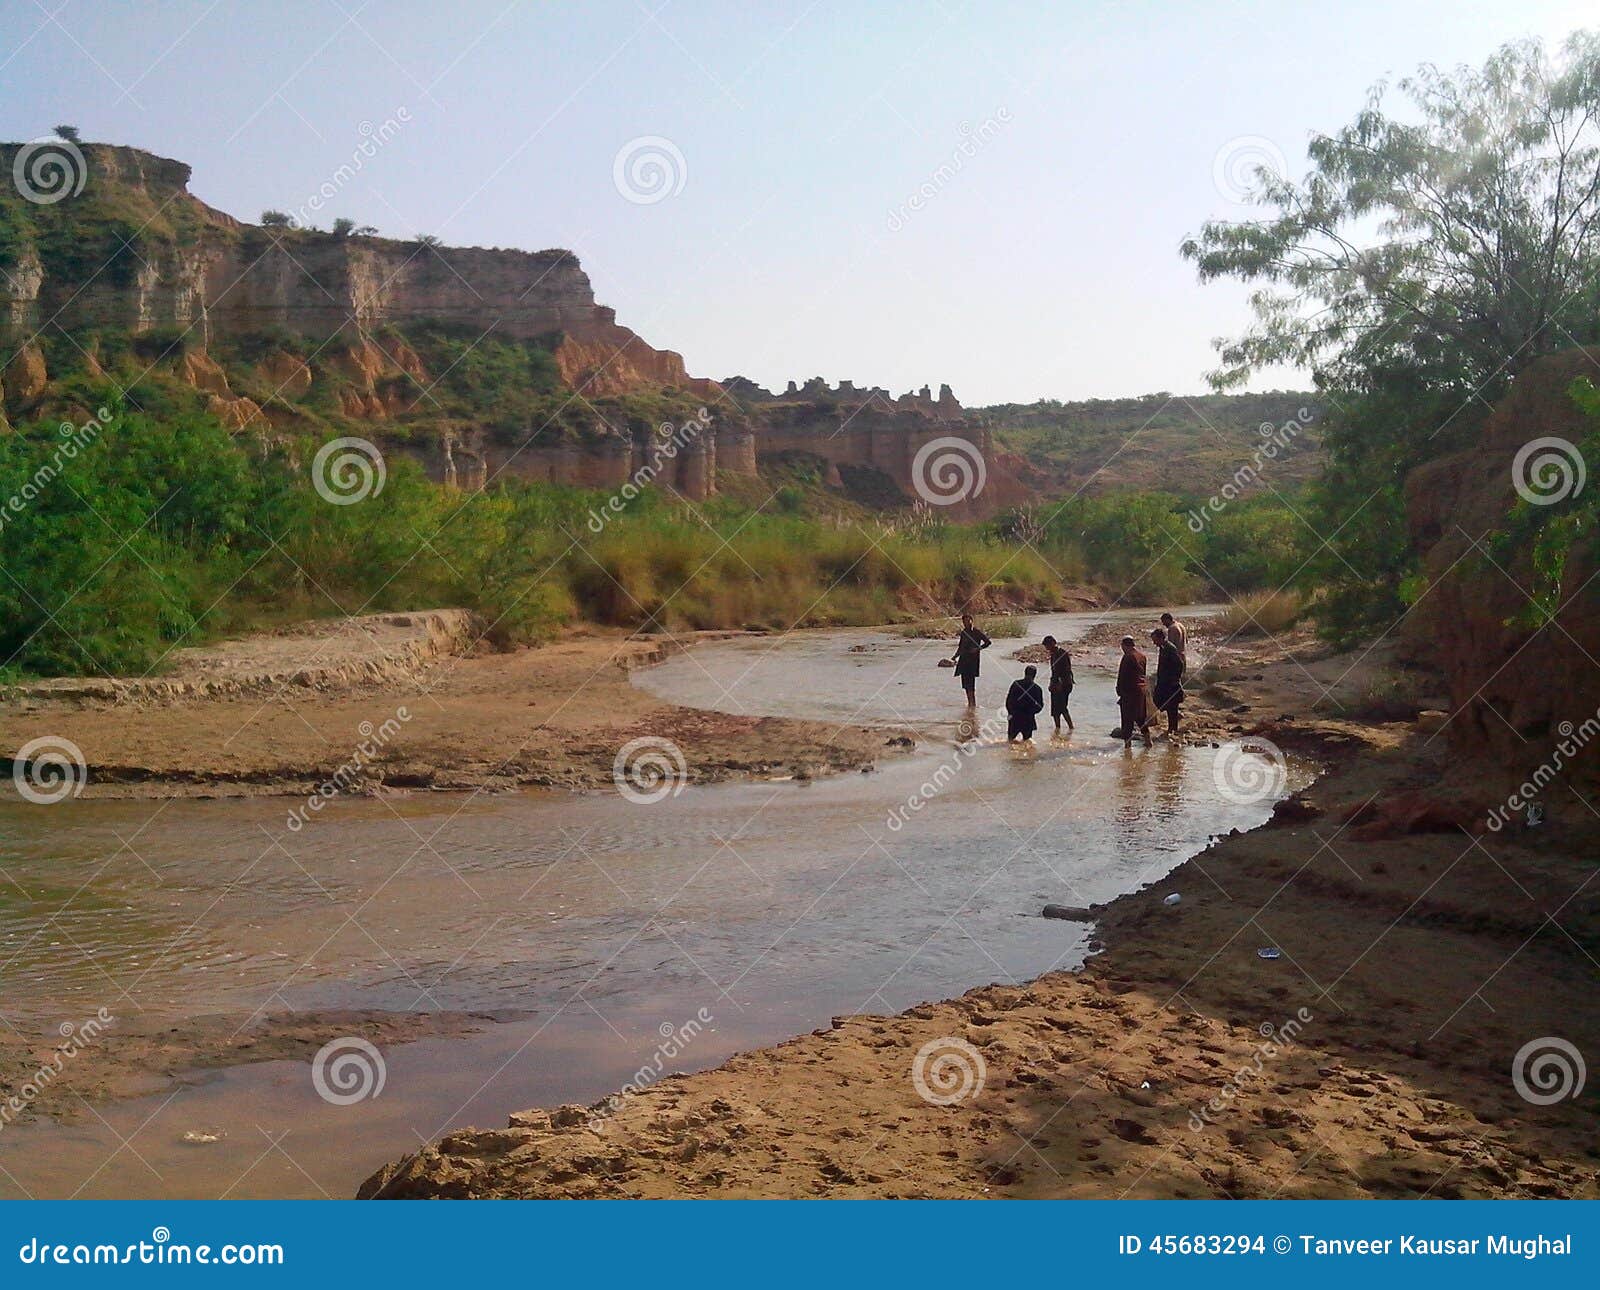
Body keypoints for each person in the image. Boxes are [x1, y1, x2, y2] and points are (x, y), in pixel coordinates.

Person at [1115, 635, 1153, 747]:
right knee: (1140, 717)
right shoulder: (1142, 656)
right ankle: (1148, 740)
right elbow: (1143, 674)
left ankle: (1127, 747)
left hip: (1129, 692)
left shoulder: (1128, 657)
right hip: (1141, 690)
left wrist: (1119, 691)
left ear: (1124, 645)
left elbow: (1122, 675)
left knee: (1127, 720)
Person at [949, 613, 991, 706]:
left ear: (972, 621)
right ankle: (970, 704)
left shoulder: (977, 632)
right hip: (963, 660)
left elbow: (988, 642)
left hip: (973, 661)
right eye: (964, 622)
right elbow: (961, 647)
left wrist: (977, 648)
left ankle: (973, 704)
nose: (966, 623)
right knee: (965, 685)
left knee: (971, 684)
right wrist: (955, 656)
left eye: (968, 621)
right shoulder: (964, 633)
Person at [1150, 626, 1185, 737]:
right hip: (1163, 683)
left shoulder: (1170, 648)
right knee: (1162, 703)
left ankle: (1173, 728)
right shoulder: (1163, 647)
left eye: (1155, 640)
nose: (1154, 643)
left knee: (1172, 706)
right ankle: (1172, 727)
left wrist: (1175, 679)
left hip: (1170, 684)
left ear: (1161, 638)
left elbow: (1179, 664)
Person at [1042, 634, 1074, 734]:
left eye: (1047, 646)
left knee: (1062, 707)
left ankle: (1071, 727)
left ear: (1052, 643)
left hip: (1065, 684)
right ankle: (1058, 729)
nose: (1047, 648)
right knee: (1055, 710)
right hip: (1056, 684)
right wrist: (1051, 683)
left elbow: (1066, 670)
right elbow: (1054, 672)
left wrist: (1060, 684)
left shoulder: (1062, 653)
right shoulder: (1053, 654)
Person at [1005, 665, 1045, 743]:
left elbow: (1008, 701)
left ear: (1025, 673)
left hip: (1015, 717)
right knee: (1027, 742)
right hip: (1028, 719)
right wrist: (1032, 712)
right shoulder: (1037, 688)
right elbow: (1040, 706)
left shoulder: (1016, 684)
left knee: (1010, 742)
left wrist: (1010, 712)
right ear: (1034, 675)